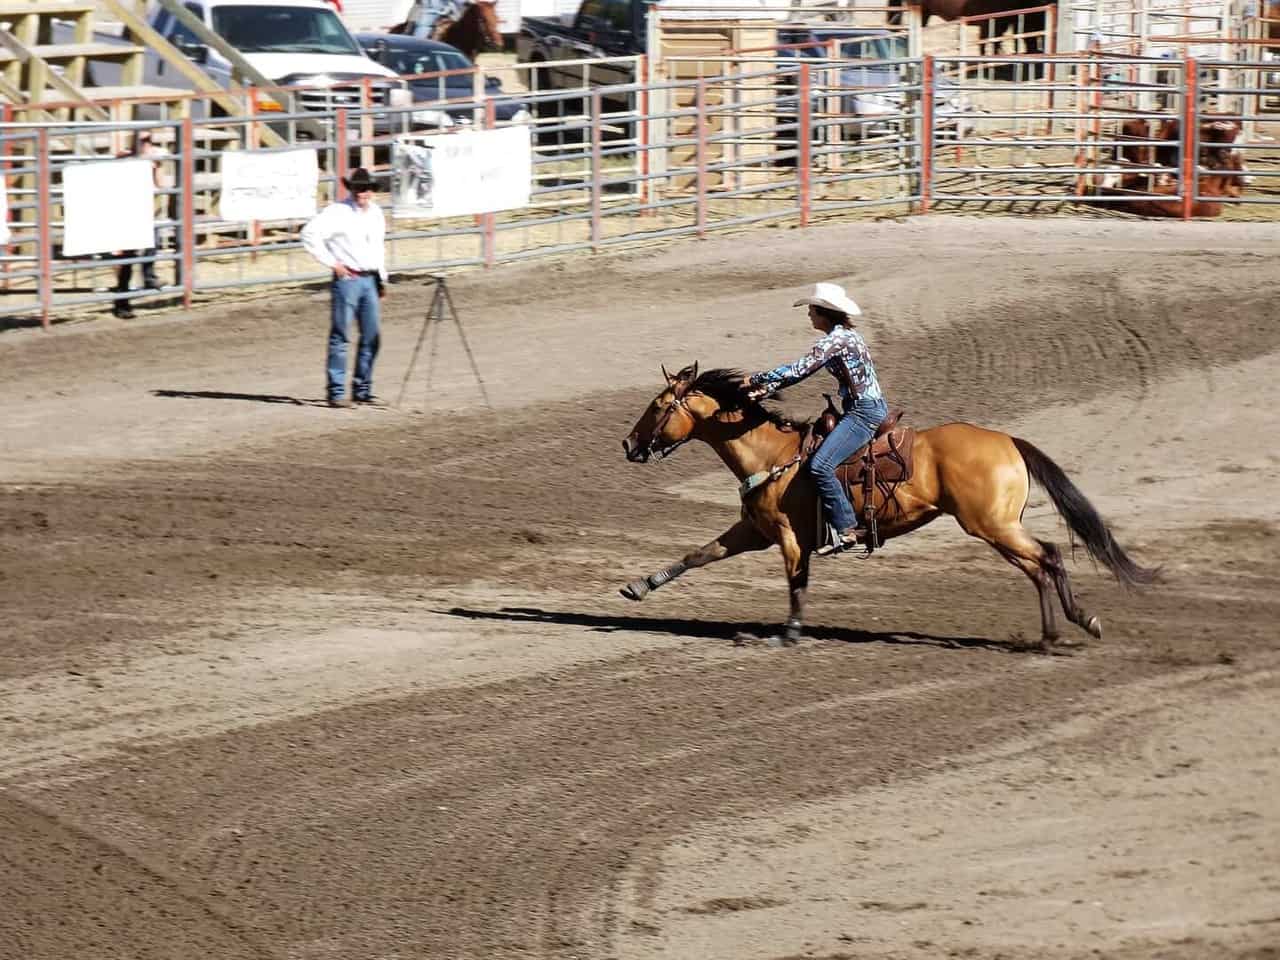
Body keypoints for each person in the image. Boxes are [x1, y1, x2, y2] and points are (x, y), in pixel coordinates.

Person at [743, 282, 889, 556]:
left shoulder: (837, 340)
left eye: (811, 309)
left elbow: (800, 370)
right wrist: (769, 389)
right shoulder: (844, 336)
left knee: (820, 466)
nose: (809, 313)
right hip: (862, 408)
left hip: (863, 413)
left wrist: (758, 378)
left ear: (823, 312)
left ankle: (847, 527)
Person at [301, 167, 388, 408]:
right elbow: (309, 234)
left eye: (366, 188)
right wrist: (333, 263)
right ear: (352, 189)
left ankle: (362, 389)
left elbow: (378, 248)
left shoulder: (376, 213)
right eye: (359, 188)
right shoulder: (337, 212)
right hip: (348, 278)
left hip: (369, 278)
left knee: (371, 336)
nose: (363, 192)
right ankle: (337, 392)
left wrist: (381, 279)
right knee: (341, 335)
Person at [112, 130, 166, 319]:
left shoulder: (153, 160)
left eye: (148, 140)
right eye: (142, 140)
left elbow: (161, 185)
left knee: (152, 244)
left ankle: (148, 278)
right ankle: (122, 301)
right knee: (128, 257)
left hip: (146, 211)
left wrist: (156, 167)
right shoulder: (124, 159)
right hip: (129, 212)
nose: (145, 144)